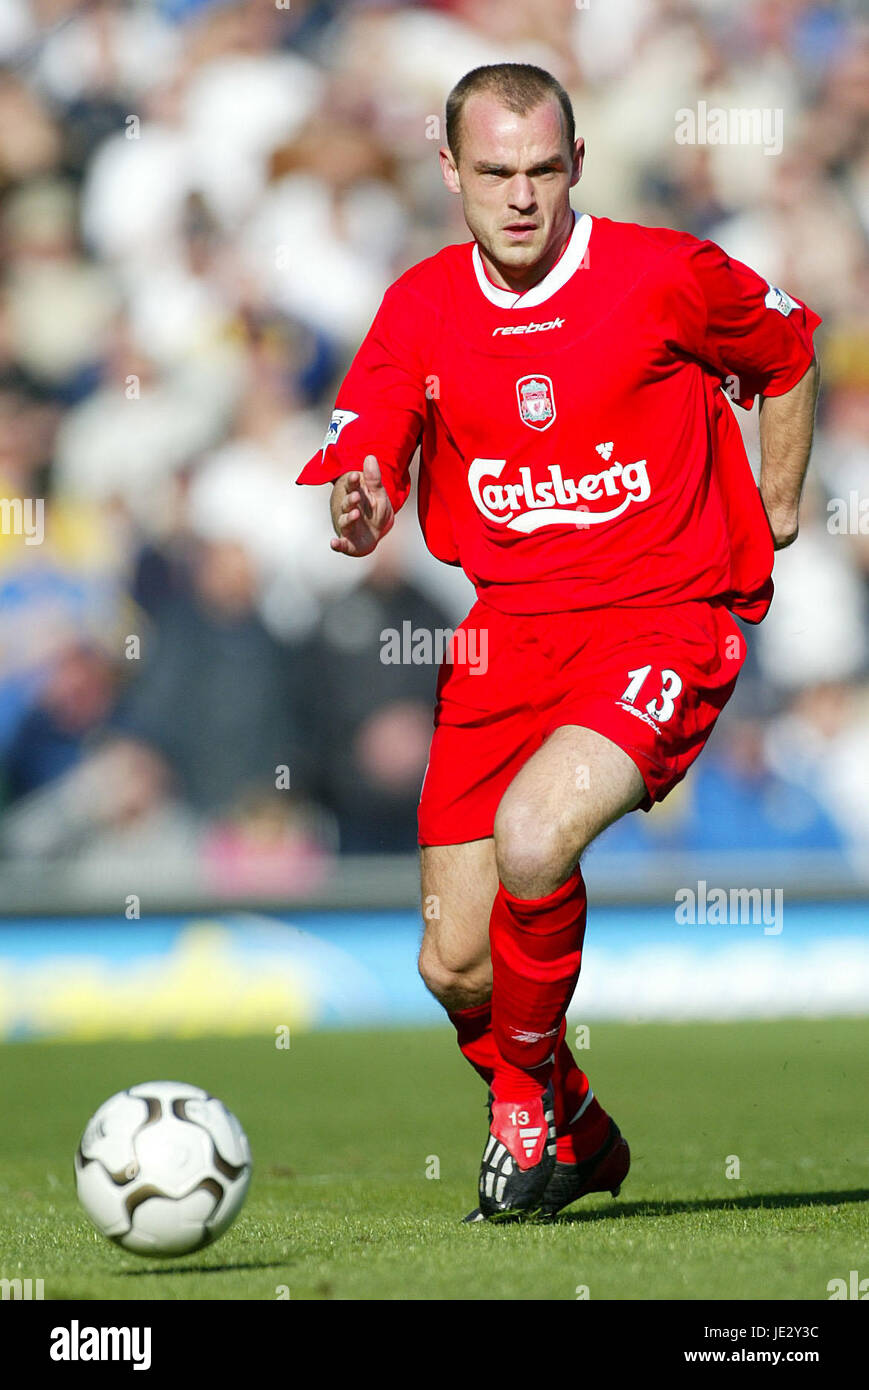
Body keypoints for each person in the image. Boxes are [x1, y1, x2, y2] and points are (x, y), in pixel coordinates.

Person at [296, 63, 821, 1221]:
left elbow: (786, 352)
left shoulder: (664, 274)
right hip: (504, 641)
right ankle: (576, 1129)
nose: (521, 196)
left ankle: (521, 1112)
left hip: (662, 619)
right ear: (449, 170)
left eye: (542, 169)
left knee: (535, 838)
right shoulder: (422, 305)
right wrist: (361, 499)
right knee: (453, 965)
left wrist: (777, 507)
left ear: (576, 163)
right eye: (494, 171)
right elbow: (370, 443)